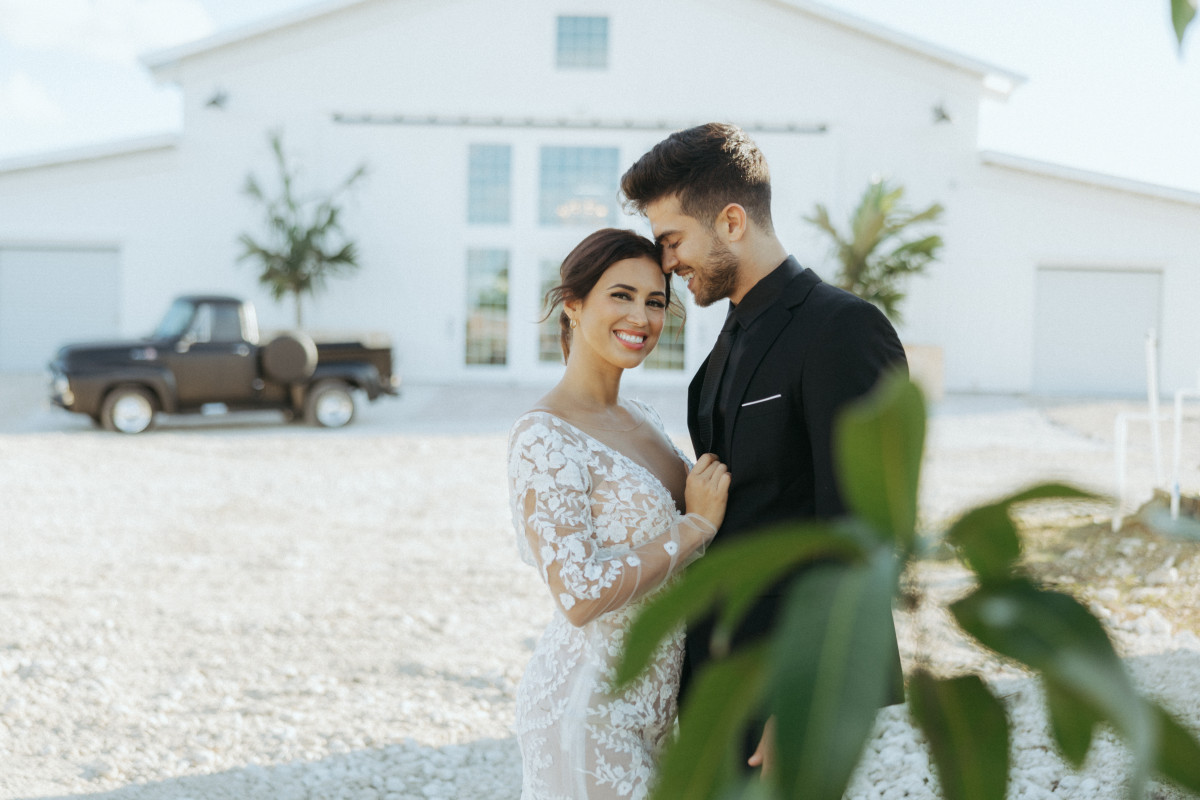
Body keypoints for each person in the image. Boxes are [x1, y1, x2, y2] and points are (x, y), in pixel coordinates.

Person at [620, 122, 908, 774]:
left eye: (672, 241)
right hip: (715, 683)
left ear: (730, 221)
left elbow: (864, 530)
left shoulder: (843, 330)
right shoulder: (718, 356)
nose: (666, 264)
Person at [507, 227, 732, 799]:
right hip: (586, 709)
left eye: (656, 301)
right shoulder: (543, 437)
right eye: (622, 295)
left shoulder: (643, 416)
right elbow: (578, 594)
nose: (642, 316)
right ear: (574, 305)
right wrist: (696, 526)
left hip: (655, 710)